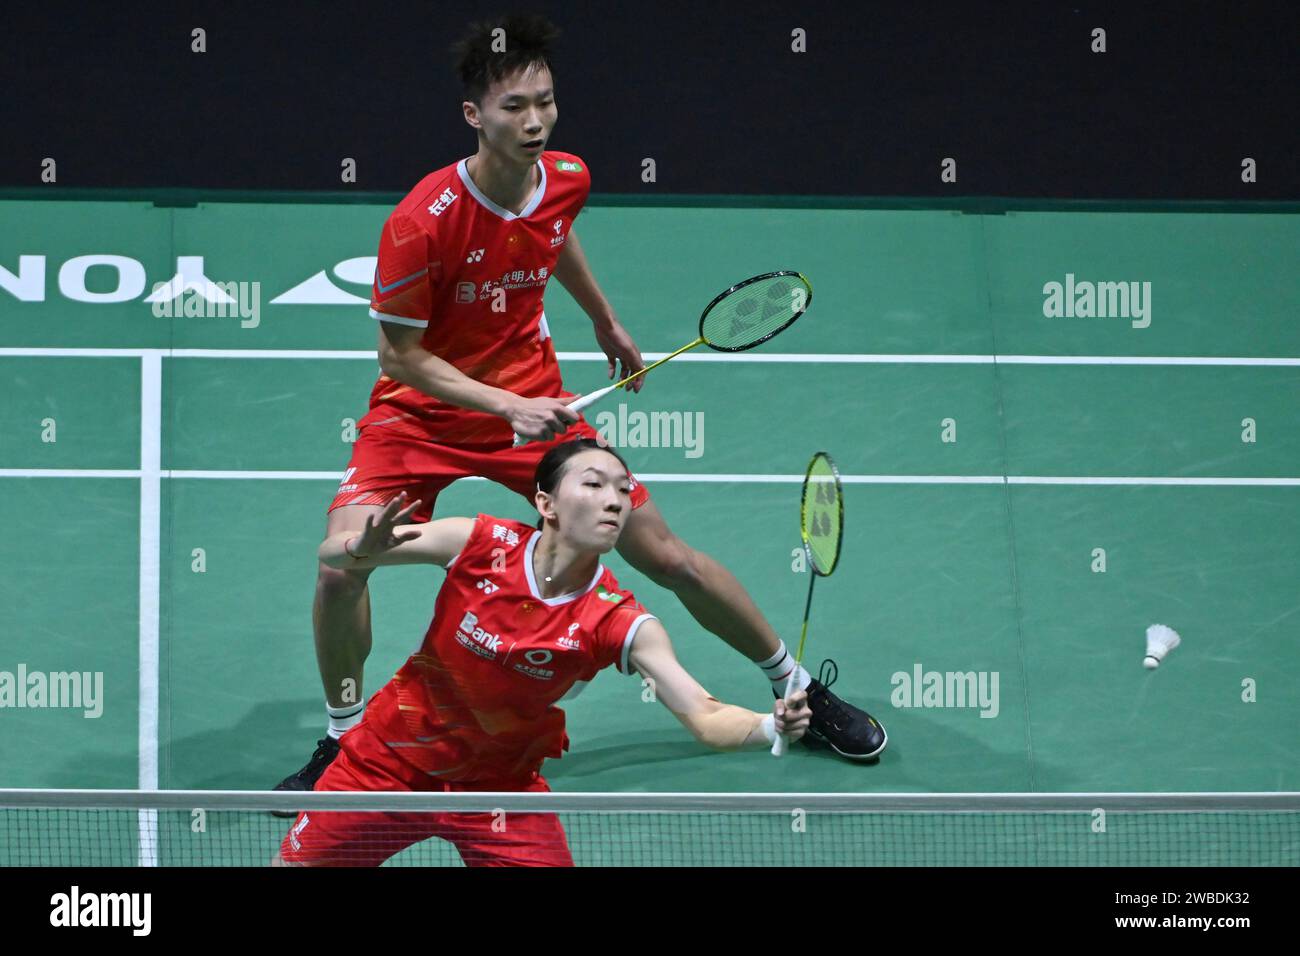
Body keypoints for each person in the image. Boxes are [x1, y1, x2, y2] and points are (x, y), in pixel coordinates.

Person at [275, 13, 884, 798]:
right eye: (513, 108)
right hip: (421, 417)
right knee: (340, 569)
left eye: (545, 103)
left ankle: (796, 685)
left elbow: (552, 234)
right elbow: (399, 357)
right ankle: (344, 740)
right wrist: (508, 405)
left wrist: (603, 318)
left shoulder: (566, 176)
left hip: (532, 408)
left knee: (663, 554)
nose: (534, 122)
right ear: (473, 116)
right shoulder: (420, 222)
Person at [275, 440, 812, 866]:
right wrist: (360, 548)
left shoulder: (621, 621)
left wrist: (770, 726)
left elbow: (707, 715)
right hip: (387, 765)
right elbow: (333, 557)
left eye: (623, 491)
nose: (614, 500)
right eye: (595, 484)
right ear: (546, 503)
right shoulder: (476, 542)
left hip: (501, 792)